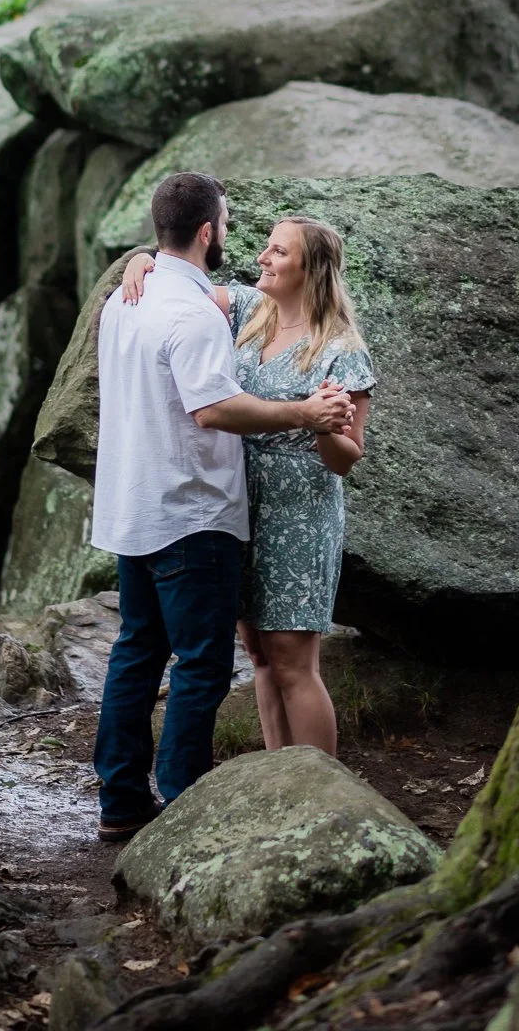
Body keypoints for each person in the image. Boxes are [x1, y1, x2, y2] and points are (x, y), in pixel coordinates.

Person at [91, 171, 354, 842]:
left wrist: (138, 257)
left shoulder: (126, 301)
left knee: (136, 653)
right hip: (190, 515)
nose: (249, 248)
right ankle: (180, 803)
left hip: (133, 509)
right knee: (202, 665)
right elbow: (211, 408)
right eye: (234, 227)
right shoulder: (196, 313)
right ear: (208, 231)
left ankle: (121, 800)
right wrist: (301, 411)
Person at [121, 214, 373, 758]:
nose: (263, 257)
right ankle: (275, 779)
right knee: (258, 653)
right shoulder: (246, 310)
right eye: (266, 247)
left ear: (313, 269)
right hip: (237, 504)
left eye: (279, 252)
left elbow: (346, 458)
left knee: (292, 660)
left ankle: (317, 791)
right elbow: (177, 278)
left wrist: (323, 426)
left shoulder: (340, 348)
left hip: (298, 510)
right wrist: (141, 259)